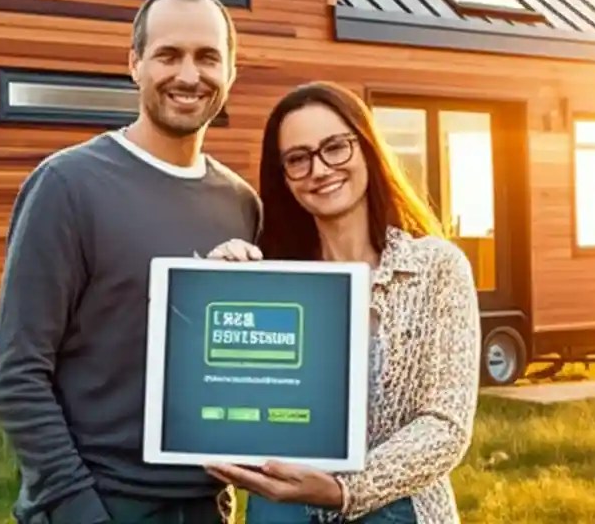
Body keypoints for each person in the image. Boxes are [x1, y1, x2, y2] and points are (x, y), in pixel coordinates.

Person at [0, 0, 262, 524]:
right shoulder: (67, 185)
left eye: (208, 57)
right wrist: (78, 509)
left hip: (207, 508)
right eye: (168, 55)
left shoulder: (240, 204)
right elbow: (15, 374)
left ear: (231, 71)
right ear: (134, 64)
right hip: (100, 504)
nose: (188, 75)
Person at [201, 81, 481, 524]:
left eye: (335, 147)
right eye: (298, 158)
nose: (319, 168)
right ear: (284, 177)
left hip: (400, 510)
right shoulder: (271, 277)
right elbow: (233, 404)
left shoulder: (437, 267)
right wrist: (218, 286)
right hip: (284, 511)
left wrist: (343, 490)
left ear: (366, 147)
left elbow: (445, 427)